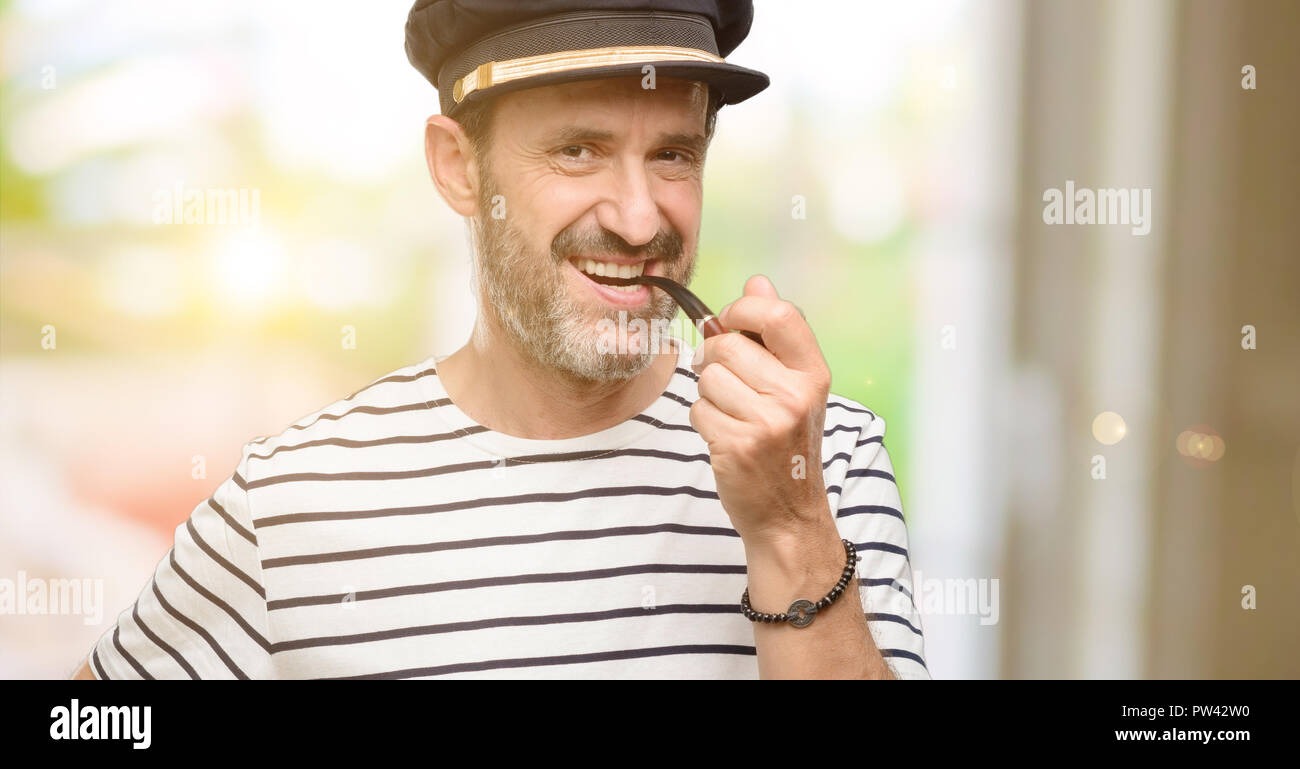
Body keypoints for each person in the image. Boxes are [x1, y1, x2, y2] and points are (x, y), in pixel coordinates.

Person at [75, 0, 928, 679]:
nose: (639, 220)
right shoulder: (291, 501)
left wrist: (789, 532)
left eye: (673, 155)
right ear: (458, 167)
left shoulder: (825, 461)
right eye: (578, 150)